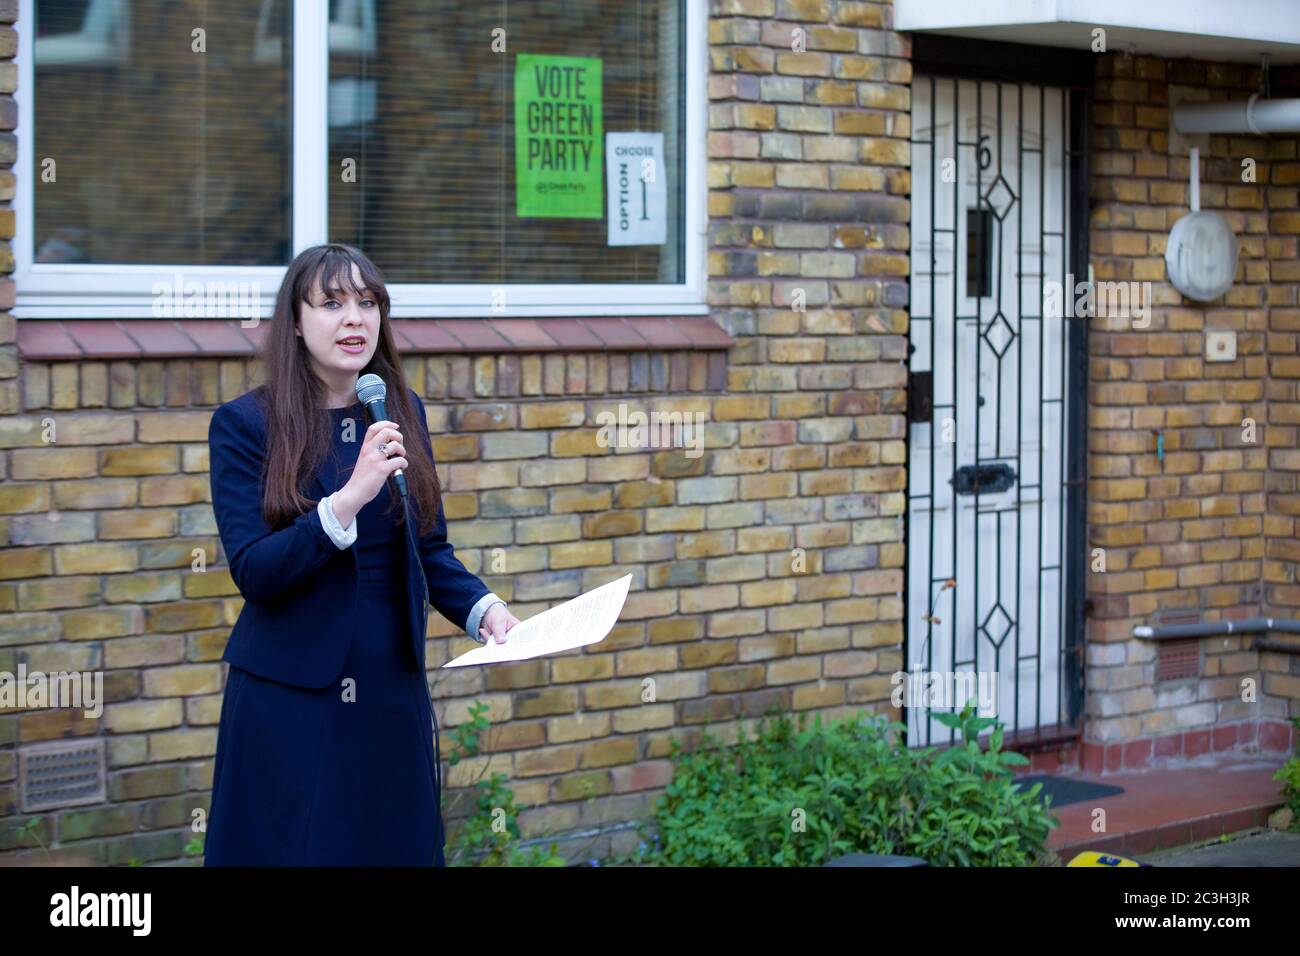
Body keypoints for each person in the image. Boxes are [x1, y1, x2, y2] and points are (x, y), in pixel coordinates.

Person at [202, 243, 519, 866]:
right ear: (295, 321)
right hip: (293, 693)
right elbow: (255, 573)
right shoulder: (245, 426)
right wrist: (346, 502)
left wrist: (486, 612)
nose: (355, 319)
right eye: (332, 303)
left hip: (388, 687)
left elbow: (429, 549)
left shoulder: (399, 410)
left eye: (367, 302)